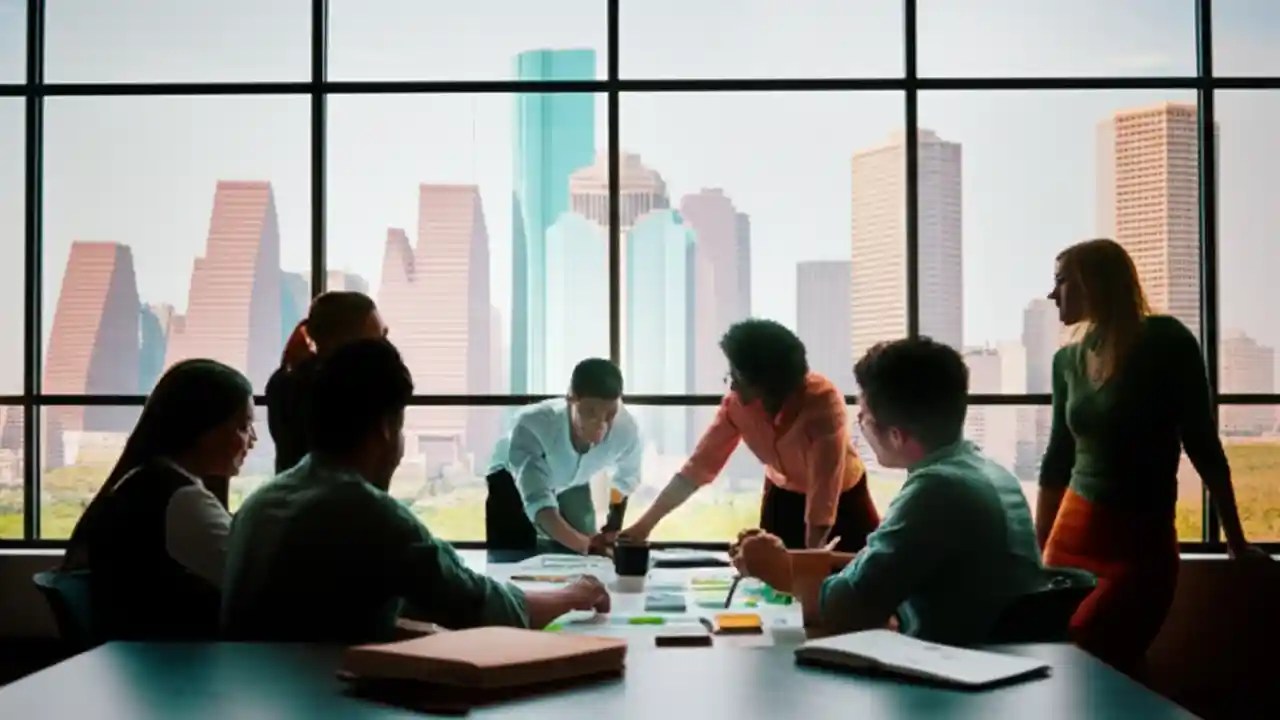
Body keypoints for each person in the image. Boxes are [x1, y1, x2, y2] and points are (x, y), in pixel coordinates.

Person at [222, 339, 610, 643]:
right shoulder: (369, 515)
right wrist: (575, 593)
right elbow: (484, 606)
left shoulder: (260, 504)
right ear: (387, 429)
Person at [1038, 238, 1268, 673]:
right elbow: (1056, 459)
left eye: (1061, 281)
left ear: (1095, 282)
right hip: (1070, 536)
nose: (1053, 295)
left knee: (1102, 653)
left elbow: (1202, 443)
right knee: (1067, 661)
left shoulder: (1166, 341)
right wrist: (1037, 555)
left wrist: (1235, 541)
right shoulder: (1066, 360)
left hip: (1138, 542)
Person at [733, 338, 1048, 645]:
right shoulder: (985, 471)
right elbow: (893, 563)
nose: (861, 426)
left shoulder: (935, 491)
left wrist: (777, 572)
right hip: (1005, 655)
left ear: (897, 436)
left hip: (959, 667)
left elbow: (848, 611)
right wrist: (793, 559)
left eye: (865, 419)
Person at [622, 319, 878, 552]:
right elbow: (697, 468)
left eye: (739, 377)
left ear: (770, 382)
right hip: (782, 495)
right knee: (776, 586)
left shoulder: (822, 403)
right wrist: (643, 526)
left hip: (843, 498)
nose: (732, 385)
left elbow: (824, 490)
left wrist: (811, 559)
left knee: (860, 581)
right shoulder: (737, 405)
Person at [63, 359, 257, 640]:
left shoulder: (139, 482)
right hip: (178, 668)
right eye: (242, 425)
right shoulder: (182, 500)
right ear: (203, 428)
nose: (253, 438)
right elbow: (252, 586)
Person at [486, 358, 640, 555]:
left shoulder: (626, 429)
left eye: (609, 414)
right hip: (510, 478)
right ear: (571, 398)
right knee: (514, 552)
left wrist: (612, 526)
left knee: (585, 548)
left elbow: (625, 480)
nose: (601, 424)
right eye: (590, 412)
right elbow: (538, 501)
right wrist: (585, 545)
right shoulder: (533, 425)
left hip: (573, 480)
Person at [265, 290, 387, 473]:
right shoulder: (338, 393)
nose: (385, 350)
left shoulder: (285, 380)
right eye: (376, 342)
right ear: (339, 343)